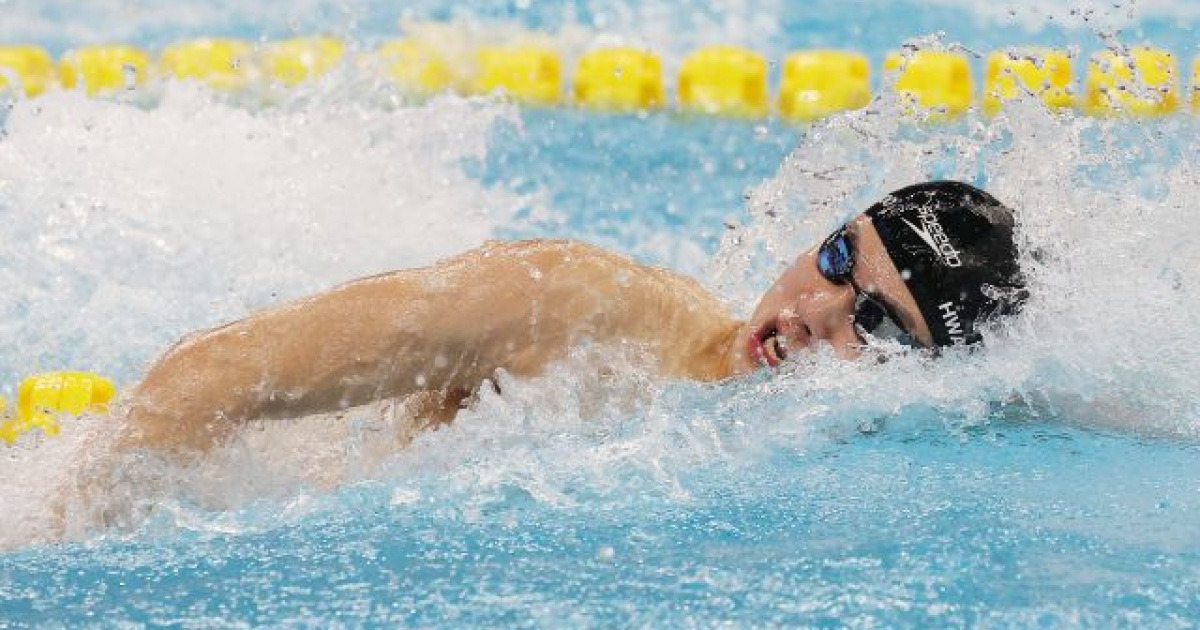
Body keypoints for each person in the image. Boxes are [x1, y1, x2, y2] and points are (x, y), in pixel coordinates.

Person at [117, 180, 1027, 454]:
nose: (809, 313)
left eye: (870, 321)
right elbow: (202, 380)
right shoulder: (570, 303)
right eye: (834, 259)